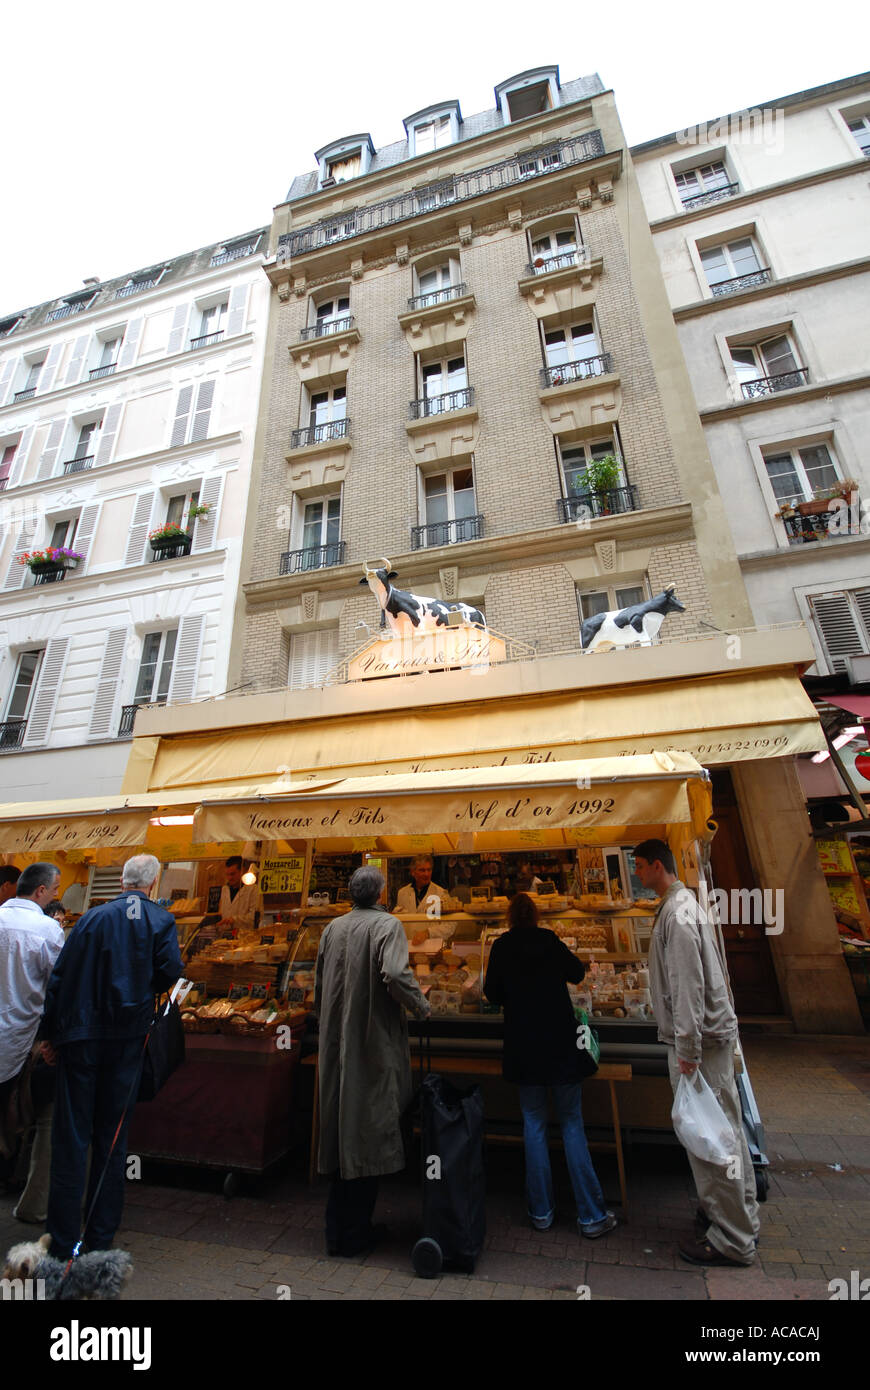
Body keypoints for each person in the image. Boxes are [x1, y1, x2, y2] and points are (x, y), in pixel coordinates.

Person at [41, 853, 184, 1261]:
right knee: (113, 1138)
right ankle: (100, 1237)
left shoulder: (90, 919)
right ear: (153, 883)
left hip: (81, 1037)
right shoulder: (160, 920)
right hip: (125, 1039)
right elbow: (170, 971)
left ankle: (63, 1238)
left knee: (71, 1139)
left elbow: (60, 978)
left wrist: (50, 1035)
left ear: (122, 882)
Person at [633, 839, 760, 1267]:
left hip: (699, 1046)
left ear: (655, 866)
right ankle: (741, 1219)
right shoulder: (685, 904)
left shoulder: (678, 913)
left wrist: (687, 1047)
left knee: (710, 1140)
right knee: (727, 1133)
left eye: (639, 867)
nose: (636, 874)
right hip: (710, 1039)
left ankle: (731, 1238)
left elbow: (688, 984)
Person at [483, 893, 616, 1239]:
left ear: (510, 917)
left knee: (534, 1124)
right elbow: (576, 973)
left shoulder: (501, 947)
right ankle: (591, 1215)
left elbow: (492, 995)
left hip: (523, 1047)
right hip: (560, 1044)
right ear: (536, 916)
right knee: (572, 1123)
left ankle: (541, 1211)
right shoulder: (548, 940)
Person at [315, 864, 430, 1256]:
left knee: (343, 1127)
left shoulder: (332, 928)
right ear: (381, 894)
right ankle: (354, 1233)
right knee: (367, 1130)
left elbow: (318, 985)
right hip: (371, 1042)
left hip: (336, 1041)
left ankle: (338, 1229)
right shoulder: (387, 927)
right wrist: (422, 1006)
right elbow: (397, 974)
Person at [0, 863, 63, 1182]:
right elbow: (58, 986)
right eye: (54, 891)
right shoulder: (47, 929)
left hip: (14, 1036)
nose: (55, 896)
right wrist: (52, 1037)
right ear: (40, 891)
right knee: (10, 1112)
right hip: (18, 1038)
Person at [217, 855, 258, 932]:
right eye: (227, 875)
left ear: (242, 871)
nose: (229, 878)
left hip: (245, 935)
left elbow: (255, 917)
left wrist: (234, 919)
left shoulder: (253, 889)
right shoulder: (224, 889)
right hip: (226, 935)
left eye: (232, 874)